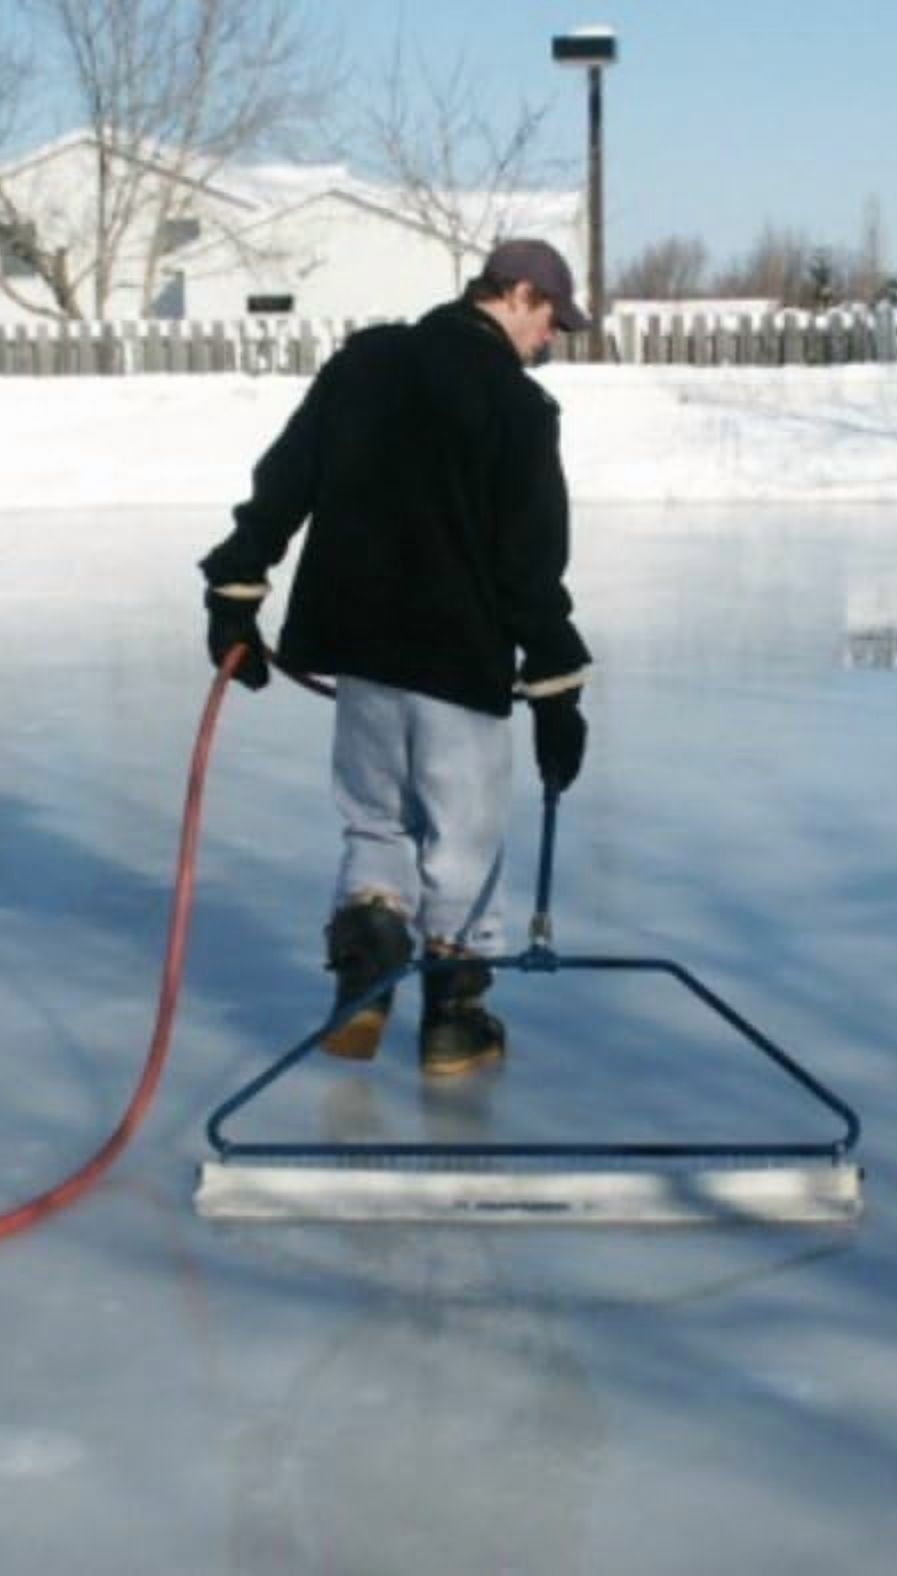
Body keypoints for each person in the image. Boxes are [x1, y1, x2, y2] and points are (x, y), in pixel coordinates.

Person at [198, 238, 592, 1079]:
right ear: (519, 294)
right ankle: (454, 1017)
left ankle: (368, 968)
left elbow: (285, 480)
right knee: (462, 836)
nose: (550, 341)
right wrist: (557, 684)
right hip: (459, 659)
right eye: (551, 321)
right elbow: (530, 563)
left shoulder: (365, 363)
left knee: (376, 821)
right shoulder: (518, 406)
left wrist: (236, 587)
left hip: (362, 653)